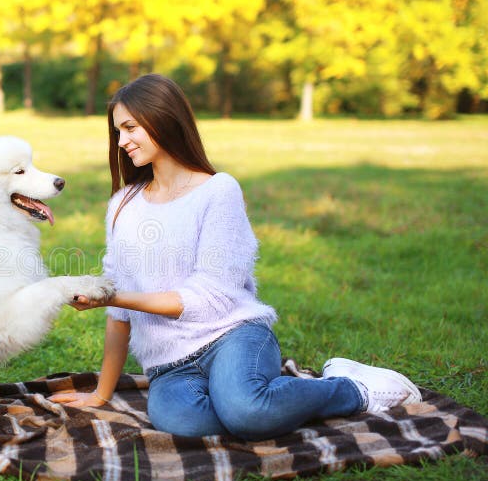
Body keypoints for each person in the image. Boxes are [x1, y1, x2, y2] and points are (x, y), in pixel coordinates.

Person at [48, 74, 422, 440]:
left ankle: (351, 388)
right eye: (117, 132)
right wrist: (100, 393)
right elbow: (119, 312)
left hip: (230, 336)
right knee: (184, 423)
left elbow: (210, 297)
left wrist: (112, 297)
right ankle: (264, 401)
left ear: (162, 117)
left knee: (246, 410)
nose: (122, 141)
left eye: (130, 128)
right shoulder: (122, 205)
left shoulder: (218, 191)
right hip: (169, 365)